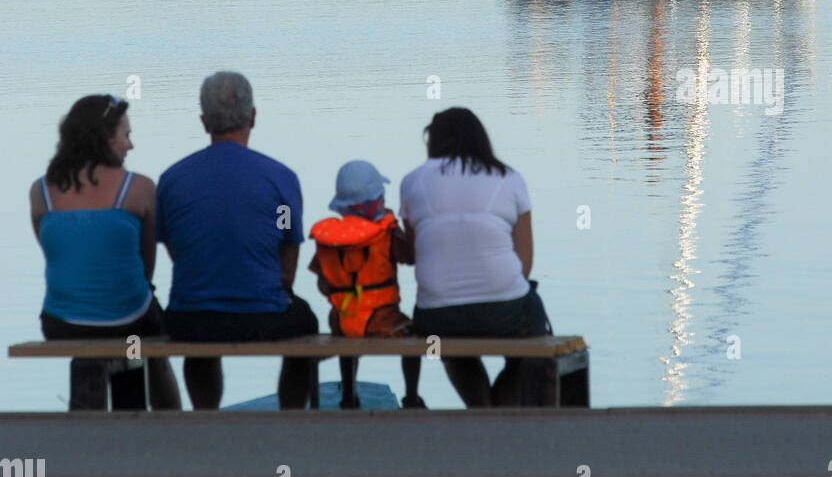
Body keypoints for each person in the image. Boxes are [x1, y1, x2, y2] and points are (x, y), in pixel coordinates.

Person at [156, 72, 318, 409]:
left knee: (198, 319)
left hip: (191, 318)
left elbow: (178, 247)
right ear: (253, 116)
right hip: (263, 315)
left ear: (204, 122)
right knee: (307, 323)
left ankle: (206, 415)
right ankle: (291, 414)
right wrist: (276, 280)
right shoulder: (280, 180)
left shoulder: (173, 181)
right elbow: (287, 241)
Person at [29, 94, 180, 409]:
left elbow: (57, 255)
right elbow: (145, 265)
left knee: (108, 326)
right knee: (147, 333)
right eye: (126, 135)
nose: (130, 145)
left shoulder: (41, 191)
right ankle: (168, 426)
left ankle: (88, 427)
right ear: (105, 139)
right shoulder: (139, 188)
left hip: (61, 323)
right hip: (130, 319)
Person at [400, 107, 553, 408]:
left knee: (453, 347)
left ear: (432, 141)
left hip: (437, 314)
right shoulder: (509, 178)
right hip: (506, 309)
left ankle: (482, 409)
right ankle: (500, 410)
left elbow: (417, 253)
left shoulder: (412, 181)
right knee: (531, 336)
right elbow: (524, 263)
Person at [309, 160, 424, 409]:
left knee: (346, 338)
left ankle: (349, 395)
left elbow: (323, 286)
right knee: (420, 338)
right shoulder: (387, 233)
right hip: (384, 321)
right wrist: (405, 224)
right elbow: (411, 257)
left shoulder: (331, 240)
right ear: (377, 199)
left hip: (342, 321)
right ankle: (412, 397)